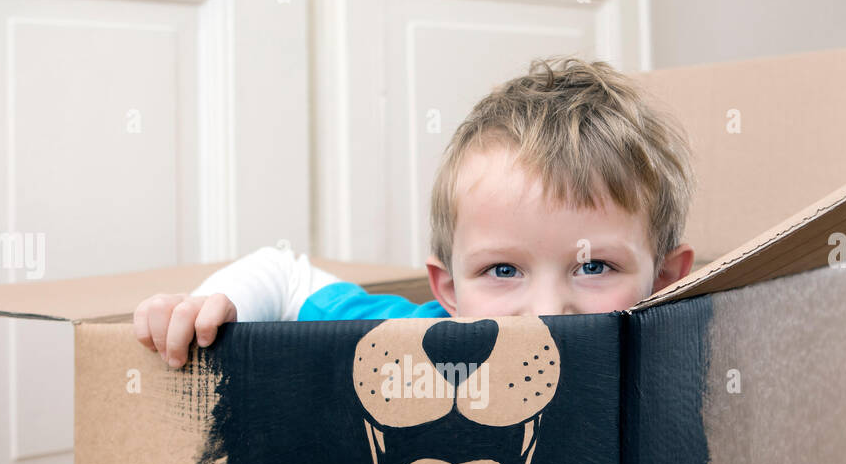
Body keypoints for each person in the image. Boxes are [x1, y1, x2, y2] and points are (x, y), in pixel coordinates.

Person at [134, 55, 696, 369]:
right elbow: (284, 277)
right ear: (447, 289)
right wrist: (205, 308)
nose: (547, 313)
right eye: (502, 270)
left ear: (666, 280)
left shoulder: (670, 369)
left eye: (593, 266)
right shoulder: (413, 337)